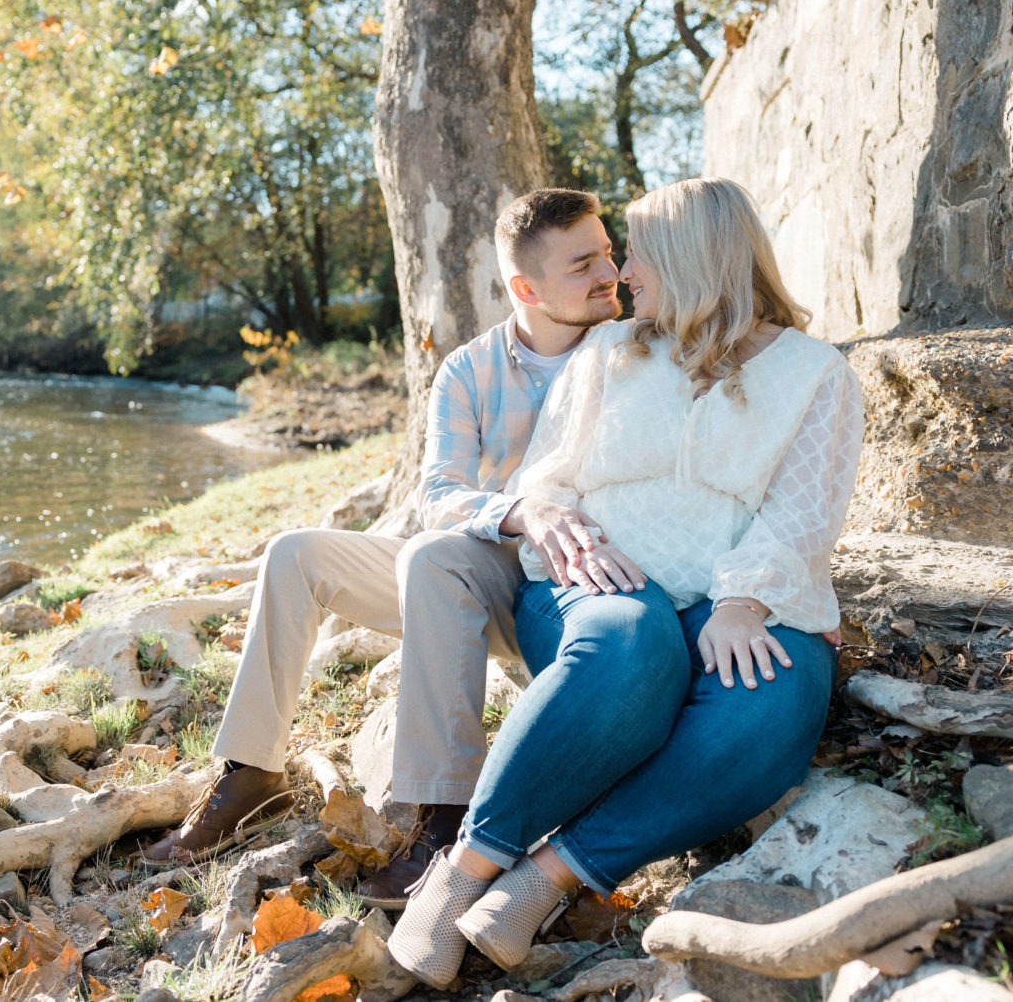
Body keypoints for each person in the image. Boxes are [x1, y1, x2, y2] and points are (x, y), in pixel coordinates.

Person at [386, 177, 864, 984]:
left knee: (778, 700)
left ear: (690, 257)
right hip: (592, 580)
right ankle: (465, 867)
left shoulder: (817, 374)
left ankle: (551, 876)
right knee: (630, 641)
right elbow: (549, 476)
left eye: (636, 251)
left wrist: (744, 601)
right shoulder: (610, 350)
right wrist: (552, 520)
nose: (625, 272)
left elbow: (804, 513)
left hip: (735, 593)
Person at [142, 188, 640, 907]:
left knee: (430, 557)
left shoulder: (628, 353)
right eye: (584, 263)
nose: (610, 273)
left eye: (609, 254)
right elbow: (438, 491)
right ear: (525, 289)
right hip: (469, 570)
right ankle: (251, 770)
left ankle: (446, 818)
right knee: (295, 553)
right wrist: (519, 511)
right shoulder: (468, 371)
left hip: (565, 589)